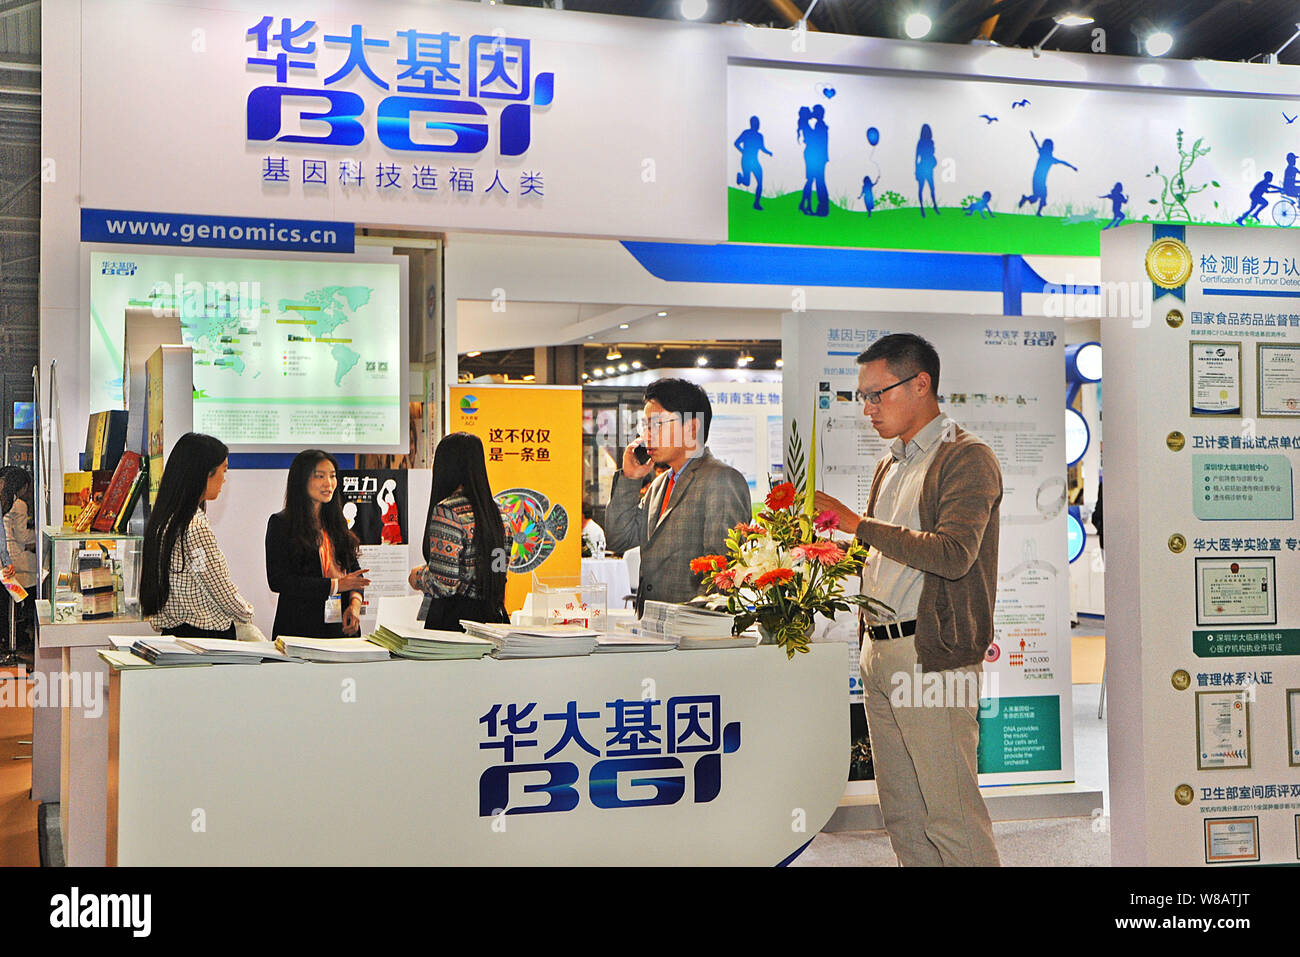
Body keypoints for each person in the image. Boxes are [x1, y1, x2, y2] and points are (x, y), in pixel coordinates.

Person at [814, 333, 1002, 867]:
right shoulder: (891, 463)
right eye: (863, 397)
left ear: (921, 385)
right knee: (902, 812)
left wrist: (858, 526)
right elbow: (888, 553)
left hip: (931, 656)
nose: (868, 408)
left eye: (878, 394)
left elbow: (953, 553)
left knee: (952, 815)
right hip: (880, 650)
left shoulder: (966, 457)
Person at [605, 378, 751, 611]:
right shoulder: (659, 485)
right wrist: (630, 479)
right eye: (646, 425)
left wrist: (695, 629)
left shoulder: (721, 480)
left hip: (690, 631)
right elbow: (619, 539)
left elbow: (722, 571)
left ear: (692, 427)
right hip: (652, 627)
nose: (647, 434)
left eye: (657, 424)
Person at [140, 433, 255, 639]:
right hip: (206, 638)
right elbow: (220, 587)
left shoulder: (164, 521)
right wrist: (246, 612)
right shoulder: (194, 527)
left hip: (174, 635)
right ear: (205, 473)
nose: (224, 479)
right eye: (223, 471)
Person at [408, 432, 508, 631]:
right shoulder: (500, 514)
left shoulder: (448, 512)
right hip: (493, 617)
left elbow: (445, 584)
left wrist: (418, 576)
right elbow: (499, 569)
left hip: (453, 621)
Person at [265, 450, 370, 640]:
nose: (328, 483)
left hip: (341, 626)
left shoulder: (337, 523)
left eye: (332, 476)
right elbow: (278, 580)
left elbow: (354, 573)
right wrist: (335, 585)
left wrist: (355, 604)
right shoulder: (281, 523)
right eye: (319, 476)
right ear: (301, 480)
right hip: (300, 628)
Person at [1, 469, 35, 651]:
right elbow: (23, 537)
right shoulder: (18, 503)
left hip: (5, 561)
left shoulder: (5, 502)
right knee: (40, 574)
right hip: (13, 560)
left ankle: (14, 633)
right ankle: (26, 622)